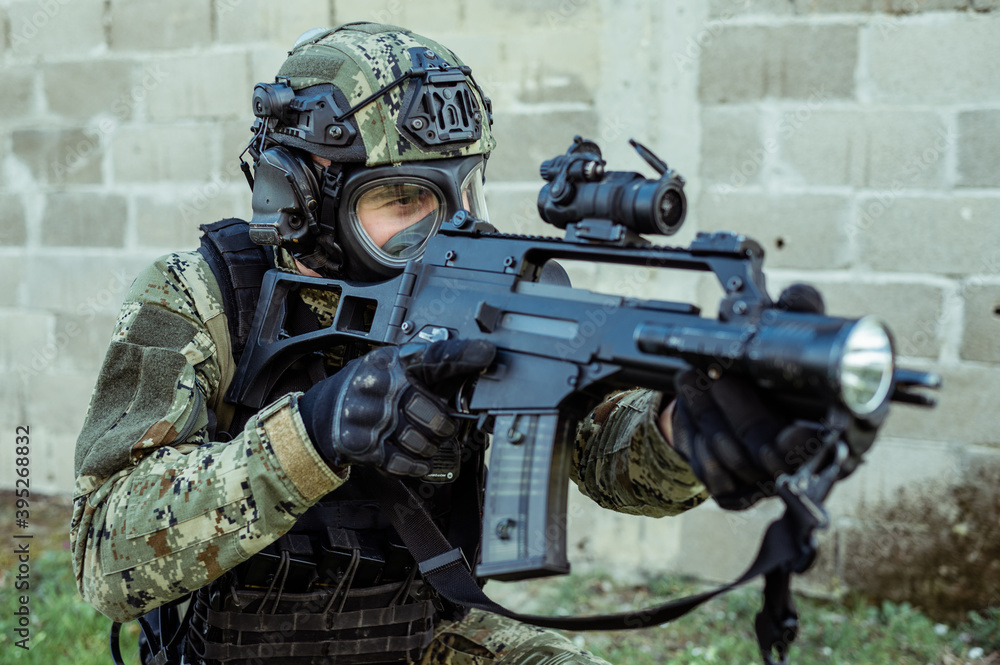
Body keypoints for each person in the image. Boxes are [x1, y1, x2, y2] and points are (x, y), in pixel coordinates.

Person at [71, 22, 870, 665]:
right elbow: (104, 556)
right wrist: (314, 430)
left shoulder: (497, 290)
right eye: (404, 198)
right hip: (238, 646)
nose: (450, 225)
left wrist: (683, 431)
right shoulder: (203, 295)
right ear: (299, 191)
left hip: (427, 633)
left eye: (465, 187)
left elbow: (606, 446)